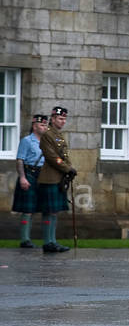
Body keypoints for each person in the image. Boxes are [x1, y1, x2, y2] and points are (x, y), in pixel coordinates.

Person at [35, 105, 75, 252]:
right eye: (60, 118)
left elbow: (64, 155)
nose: (63, 121)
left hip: (58, 177)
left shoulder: (58, 135)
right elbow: (52, 157)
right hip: (49, 178)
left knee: (55, 211)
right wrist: (67, 168)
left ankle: (53, 240)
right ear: (52, 119)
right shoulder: (47, 135)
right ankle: (48, 242)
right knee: (49, 211)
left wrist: (70, 168)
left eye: (64, 119)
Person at [12, 113, 47, 248]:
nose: (44, 127)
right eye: (41, 124)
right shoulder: (26, 141)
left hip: (43, 176)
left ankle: (43, 240)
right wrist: (22, 177)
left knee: (40, 208)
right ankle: (25, 239)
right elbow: (20, 160)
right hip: (29, 174)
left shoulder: (46, 142)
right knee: (28, 209)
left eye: (45, 124)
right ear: (34, 126)